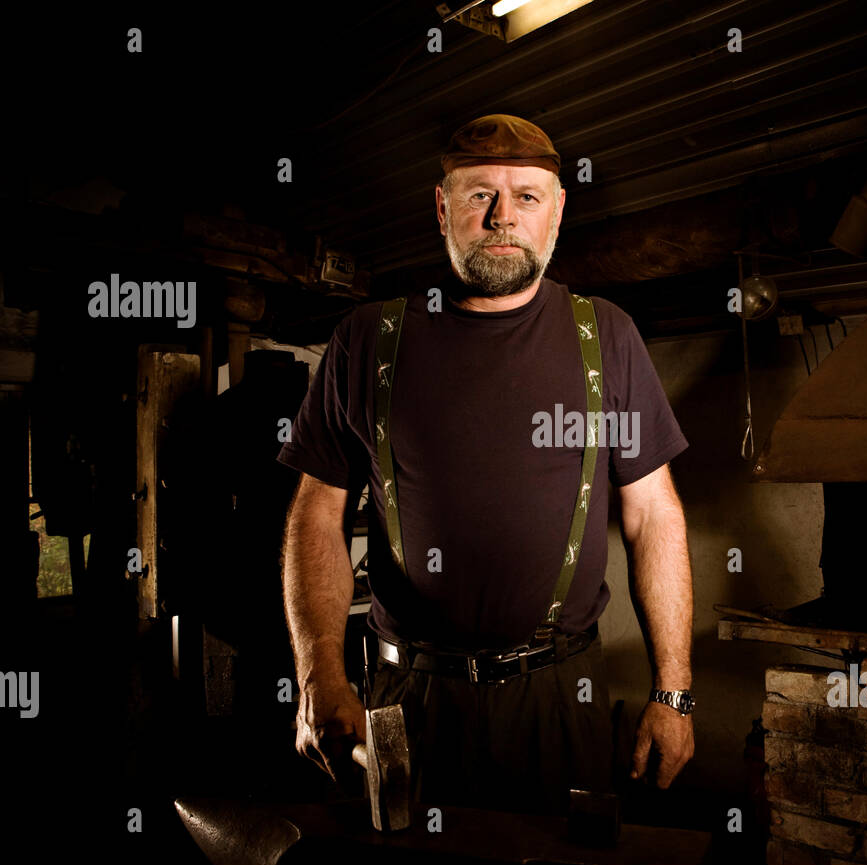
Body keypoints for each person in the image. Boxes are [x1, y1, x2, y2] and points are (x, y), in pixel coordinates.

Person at [278, 114, 694, 817]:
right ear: (443, 207)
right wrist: (318, 672)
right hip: (407, 694)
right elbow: (316, 513)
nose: (503, 216)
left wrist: (673, 692)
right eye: (479, 196)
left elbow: (654, 515)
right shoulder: (367, 340)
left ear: (557, 211)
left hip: (562, 696)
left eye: (527, 196)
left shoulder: (609, 336)